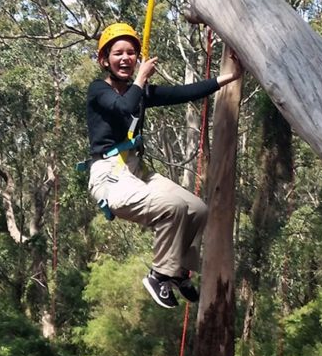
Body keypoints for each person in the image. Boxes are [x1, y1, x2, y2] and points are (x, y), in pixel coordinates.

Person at [86, 22, 243, 309]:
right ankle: (159, 275)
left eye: (131, 53)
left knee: (197, 209)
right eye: (118, 53)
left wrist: (230, 77)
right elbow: (123, 107)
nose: (125, 59)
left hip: (135, 169)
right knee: (173, 208)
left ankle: (178, 271)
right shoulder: (99, 90)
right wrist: (141, 78)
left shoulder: (140, 92)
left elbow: (183, 93)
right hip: (110, 176)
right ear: (104, 60)